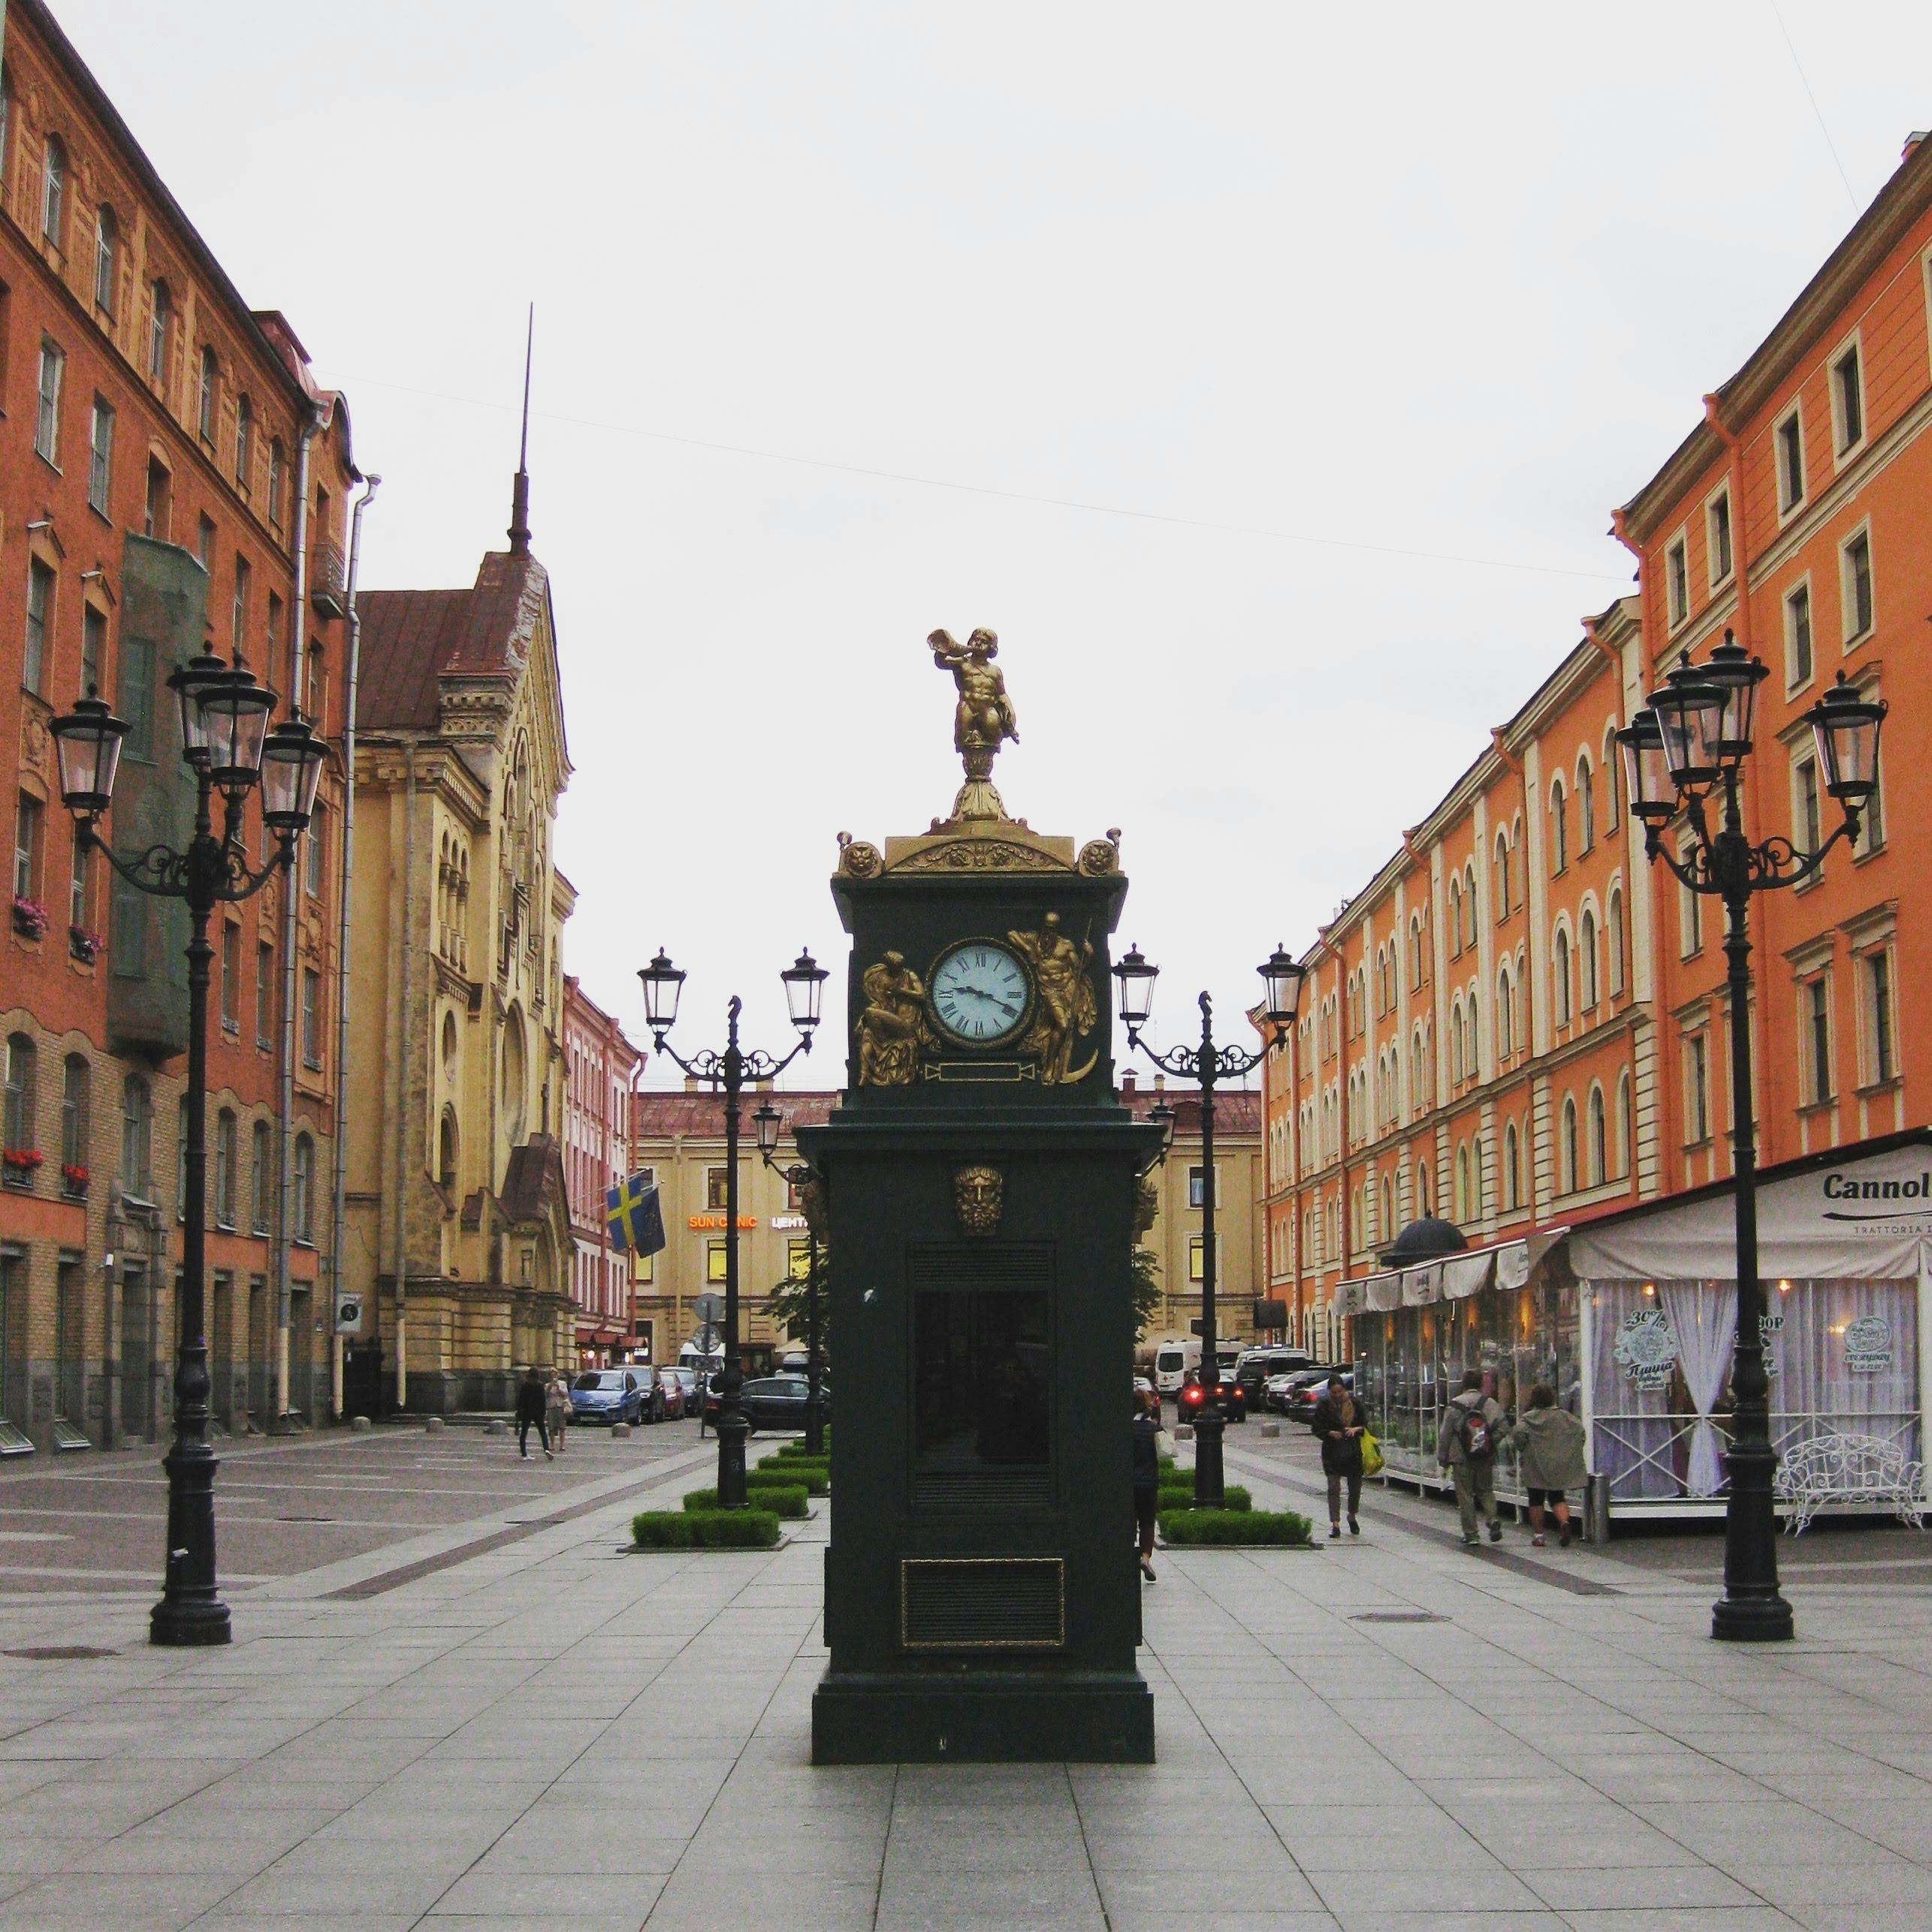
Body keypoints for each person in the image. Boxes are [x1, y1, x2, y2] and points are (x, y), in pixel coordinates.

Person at [1511, 1382, 1586, 1547]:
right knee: (1557, 1497)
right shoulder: (1567, 1418)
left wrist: (1524, 1448)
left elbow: (1518, 1435)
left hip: (1536, 1465)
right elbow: (1580, 1433)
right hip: (1559, 1465)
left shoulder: (1529, 1419)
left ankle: (1539, 1535)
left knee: (1536, 1500)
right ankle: (1564, 1522)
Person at [1436, 1369, 1505, 1545]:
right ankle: (1492, 1519)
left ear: (1463, 1384)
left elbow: (1445, 1435)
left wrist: (1442, 1460)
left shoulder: (1454, 1405)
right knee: (1486, 1490)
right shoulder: (1489, 1403)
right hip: (1484, 1457)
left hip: (1461, 1458)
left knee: (1465, 1495)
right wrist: (1488, 1441)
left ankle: (1471, 1534)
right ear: (1481, 1384)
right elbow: (1503, 1427)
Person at [1312, 1373, 1366, 1539]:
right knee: (1333, 1488)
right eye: (1334, 1392)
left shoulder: (1355, 1403)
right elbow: (1316, 1427)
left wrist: (1356, 1429)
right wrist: (1329, 1433)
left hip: (1352, 1449)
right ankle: (1335, 1524)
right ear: (1329, 1391)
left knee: (1355, 1488)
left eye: (1339, 1392)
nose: (1337, 1395)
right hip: (1332, 1451)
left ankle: (1352, 1515)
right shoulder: (1324, 1405)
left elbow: (1365, 1424)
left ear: (1344, 1390)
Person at [1131, 1387, 1161, 1583]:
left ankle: (1127, 1555)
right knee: (1148, 1522)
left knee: (1129, 1522)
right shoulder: (1154, 1429)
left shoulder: (1123, 1428)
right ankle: (1145, 1558)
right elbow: (1166, 1451)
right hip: (1149, 1483)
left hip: (1128, 1484)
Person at [515, 1366, 552, 1461]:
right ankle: (546, 1449)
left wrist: (519, 1411)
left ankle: (524, 1454)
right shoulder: (540, 1386)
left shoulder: (525, 1386)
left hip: (527, 1412)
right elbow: (543, 1400)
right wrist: (544, 1412)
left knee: (524, 1433)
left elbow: (521, 1400)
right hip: (538, 1412)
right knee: (543, 1432)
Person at [546, 1369, 571, 1455]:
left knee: (562, 1426)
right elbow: (545, 1395)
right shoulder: (547, 1385)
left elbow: (566, 1394)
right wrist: (550, 1387)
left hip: (560, 1406)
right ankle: (552, 1444)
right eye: (552, 1374)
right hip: (551, 1406)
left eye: (555, 1374)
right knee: (551, 1427)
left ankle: (562, 1445)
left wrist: (559, 1388)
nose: (554, 1376)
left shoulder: (563, 1384)